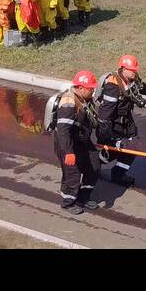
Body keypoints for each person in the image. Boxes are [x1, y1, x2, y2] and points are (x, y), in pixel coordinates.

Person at [95, 55, 146, 186]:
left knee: (133, 147)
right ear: (123, 69)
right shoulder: (113, 85)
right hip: (114, 125)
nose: (134, 72)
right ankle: (94, 164)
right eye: (131, 70)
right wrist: (104, 135)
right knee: (112, 150)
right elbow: (105, 114)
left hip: (127, 122)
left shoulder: (133, 79)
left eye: (135, 69)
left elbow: (143, 86)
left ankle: (118, 174)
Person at [48, 71, 102, 215]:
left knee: (95, 167)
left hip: (83, 141)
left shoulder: (85, 99)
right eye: (91, 88)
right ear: (81, 88)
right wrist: (69, 152)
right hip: (68, 144)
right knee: (72, 174)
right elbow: (63, 131)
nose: (93, 91)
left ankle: (83, 198)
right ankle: (68, 202)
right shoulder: (68, 103)